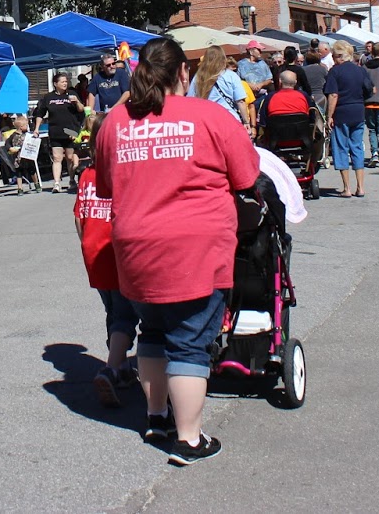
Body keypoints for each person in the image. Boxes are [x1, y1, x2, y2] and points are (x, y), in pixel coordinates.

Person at [93, 36, 260, 466]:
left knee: (152, 329)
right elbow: (246, 175)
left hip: (135, 247)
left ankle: (156, 417)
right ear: (182, 72)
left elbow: (106, 185)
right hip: (195, 247)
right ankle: (188, 439)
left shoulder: (115, 122)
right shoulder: (209, 116)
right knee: (188, 341)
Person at [75, 125, 137, 408]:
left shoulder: (86, 175)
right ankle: (112, 370)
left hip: (92, 251)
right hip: (116, 252)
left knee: (111, 310)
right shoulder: (121, 173)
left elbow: (79, 217)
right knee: (125, 315)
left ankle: (121, 367)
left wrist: (86, 241)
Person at [324, 41, 374, 197]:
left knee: (341, 148)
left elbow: (333, 95)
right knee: (357, 147)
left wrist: (329, 116)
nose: (332, 59)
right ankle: (361, 187)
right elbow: (370, 89)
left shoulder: (335, 71)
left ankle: (347, 188)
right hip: (358, 110)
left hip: (341, 112)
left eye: (333, 56)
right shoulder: (360, 70)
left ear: (339, 56)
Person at [34, 72, 86, 192]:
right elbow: (40, 113)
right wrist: (36, 128)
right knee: (57, 158)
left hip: (71, 130)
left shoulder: (72, 94)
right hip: (55, 130)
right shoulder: (48, 97)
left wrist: (77, 102)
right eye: (62, 81)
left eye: (66, 81)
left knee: (69, 157)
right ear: (55, 84)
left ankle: (72, 180)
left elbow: (81, 110)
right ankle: (56, 183)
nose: (65, 83)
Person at [190, 46, 250, 128]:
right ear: (223, 59)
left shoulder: (198, 77)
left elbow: (191, 100)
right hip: (230, 120)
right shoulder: (231, 75)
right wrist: (246, 122)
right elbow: (241, 101)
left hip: (207, 122)